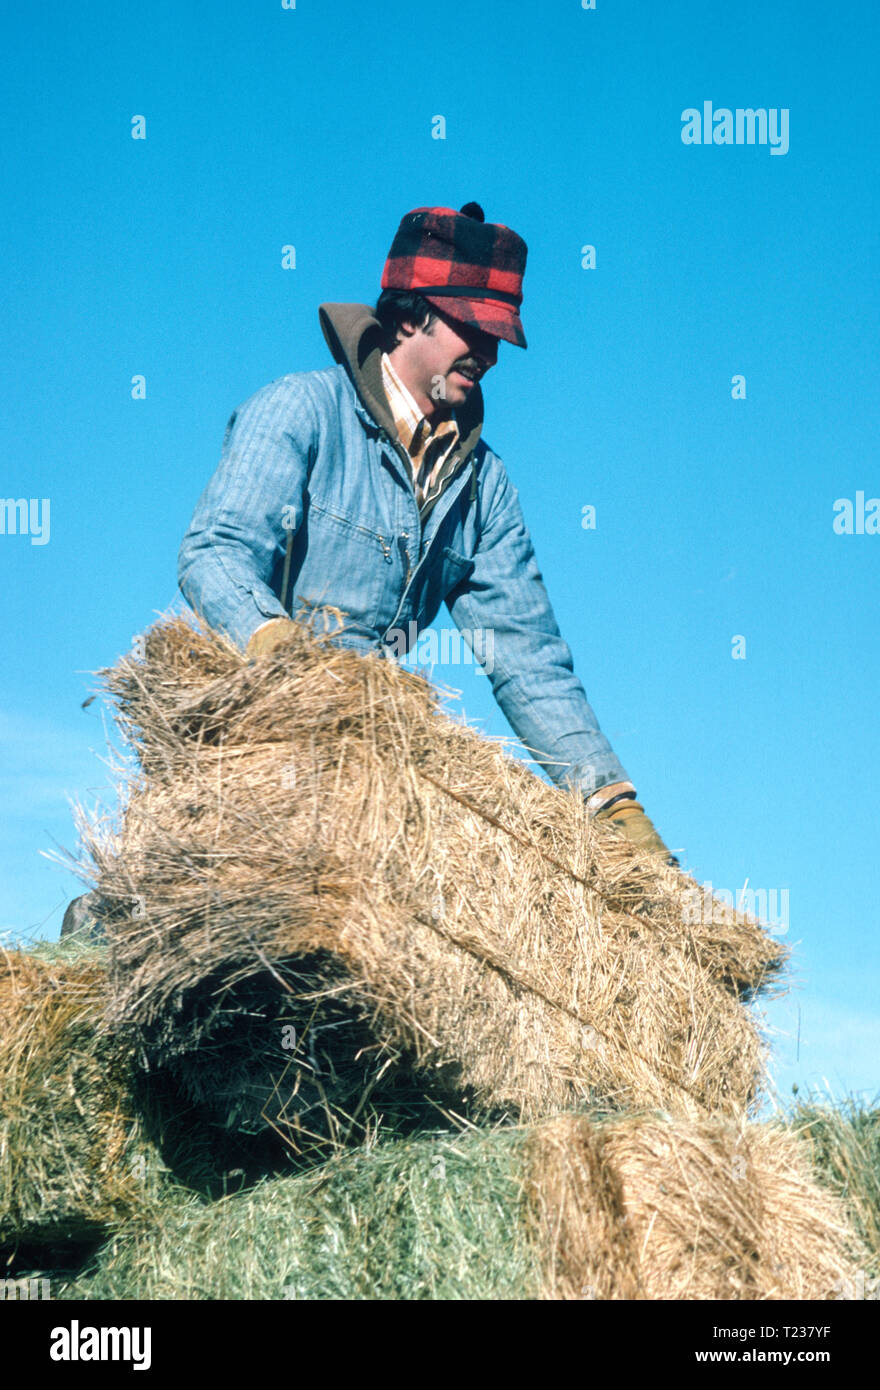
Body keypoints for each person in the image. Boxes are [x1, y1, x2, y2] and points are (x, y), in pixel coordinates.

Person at [177, 202, 676, 864]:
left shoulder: (484, 488)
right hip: (257, 737)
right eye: (476, 329)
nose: (492, 354)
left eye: (501, 337)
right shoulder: (301, 411)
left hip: (366, 767)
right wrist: (284, 657)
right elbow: (215, 554)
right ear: (411, 316)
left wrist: (610, 799)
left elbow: (526, 654)